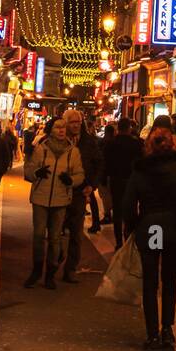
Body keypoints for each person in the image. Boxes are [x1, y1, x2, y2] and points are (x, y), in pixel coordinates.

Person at [122, 123, 176, 351]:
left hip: (151, 227)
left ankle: (152, 333)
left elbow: (127, 205)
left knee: (151, 281)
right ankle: (167, 329)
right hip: (173, 228)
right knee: (170, 279)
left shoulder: (140, 171)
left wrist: (135, 226)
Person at [23, 115, 85, 289]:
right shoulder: (41, 149)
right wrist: (37, 173)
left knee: (55, 238)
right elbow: (28, 170)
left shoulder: (73, 152)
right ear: (51, 130)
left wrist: (71, 180)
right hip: (40, 198)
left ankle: (50, 274)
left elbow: (80, 174)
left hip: (61, 199)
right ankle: (36, 270)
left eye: (63, 128)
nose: (61, 131)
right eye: (57, 127)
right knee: (38, 235)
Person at [60, 110, 103, 282]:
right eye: (72, 122)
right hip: (59, 191)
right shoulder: (58, 140)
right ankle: (55, 260)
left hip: (79, 192)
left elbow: (99, 163)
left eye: (78, 121)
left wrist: (92, 185)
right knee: (56, 231)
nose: (76, 125)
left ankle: (70, 268)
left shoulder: (89, 142)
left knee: (76, 233)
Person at [103, 116, 143, 247]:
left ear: (118, 128)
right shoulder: (137, 143)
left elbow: (106, 163)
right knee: (131, 211)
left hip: (116, 180)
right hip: (132, 181)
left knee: (117, 212)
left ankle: (118, 242)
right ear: (129, 128)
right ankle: (129, 240)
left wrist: (105, 179)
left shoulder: (110, 144)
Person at [99, 122, 116, 223]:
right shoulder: (114, 143)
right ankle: (111, 214)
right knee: (112, 195)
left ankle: (107, 215)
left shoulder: (101, 143)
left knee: (105, 196)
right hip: (112, 174)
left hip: (104, 174)